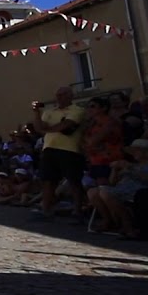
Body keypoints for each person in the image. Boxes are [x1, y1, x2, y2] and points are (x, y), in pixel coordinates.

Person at [31, 87, 86, 217]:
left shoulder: (77, 110)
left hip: (70, 149)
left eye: (62, 94)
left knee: (73, 180)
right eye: (57, 95)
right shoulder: (49, 112)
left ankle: (77, 210)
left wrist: (48, 129)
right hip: (49, 148)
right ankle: (46, 209)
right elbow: (39, 128)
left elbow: (65, 125)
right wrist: (37, 113)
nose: (59, 97)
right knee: (48, 180)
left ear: (70, 96)